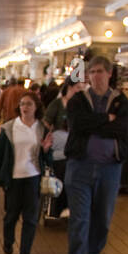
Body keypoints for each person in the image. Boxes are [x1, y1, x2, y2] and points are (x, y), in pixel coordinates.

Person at [62, 54, 128, 254]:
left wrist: (96, 123)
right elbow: (77, 125)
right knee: (80, 217)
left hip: (109, 168)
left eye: (99, 72)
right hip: (80, 166)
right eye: (91, 72)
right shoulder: (78, 100)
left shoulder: (122, 102)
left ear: (109, 74)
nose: (95, 76)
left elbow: (122, 130)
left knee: (103, 216)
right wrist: (106, 120)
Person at [0, 93, 53, 254]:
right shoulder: (9, 128)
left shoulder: (42, 129)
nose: (25, 107)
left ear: (36, 107)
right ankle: (8, 242)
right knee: (11, 215)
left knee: (31, 218)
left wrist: (46, 150)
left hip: (33, 178)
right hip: (13, 179)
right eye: (23, 104)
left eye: (29, 104)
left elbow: (49, 160)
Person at [43, 79, 85, 219]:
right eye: (78, 87)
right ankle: (60, 208)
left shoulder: (83, 105)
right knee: (63, 172)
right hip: (59, 148)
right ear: (70, 87)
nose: (80, 90)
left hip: (75, 148)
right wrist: (49, 138)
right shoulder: (57, 104)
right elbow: (46, 122)